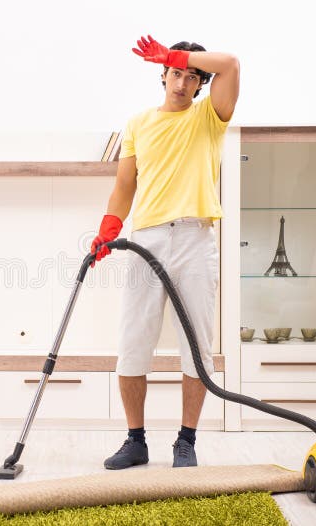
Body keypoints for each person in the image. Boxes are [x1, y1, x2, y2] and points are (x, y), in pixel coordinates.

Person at [90, 35, 239, 469]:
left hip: (195, 239)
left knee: (198, 348)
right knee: (133, 342)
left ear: (200, 84)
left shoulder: (209, 117)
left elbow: (230, 64)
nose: (182, 82)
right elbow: (125, 186)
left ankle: (186, 441)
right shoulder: (138, 124)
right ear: (163, 75)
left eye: (192, 77)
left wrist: (178, 55)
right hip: (147, 239)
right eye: (175, 73)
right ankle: (135, 441)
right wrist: (108, 229)